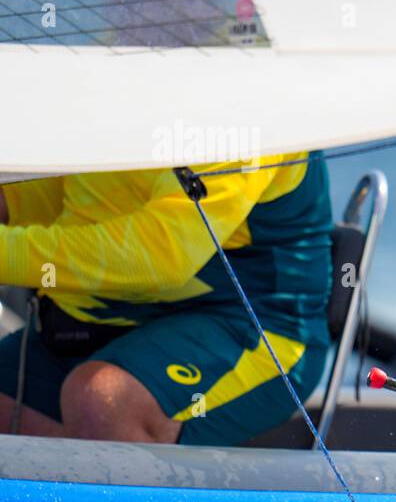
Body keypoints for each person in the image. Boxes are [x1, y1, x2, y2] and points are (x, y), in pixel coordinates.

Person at [0, 154, 332, 445]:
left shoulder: (243, 107)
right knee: (91, 399)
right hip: (112, 322)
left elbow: (158, 256)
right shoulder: (110, 99)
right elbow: (54, 198)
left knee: (103, 401)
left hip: (258, 329)